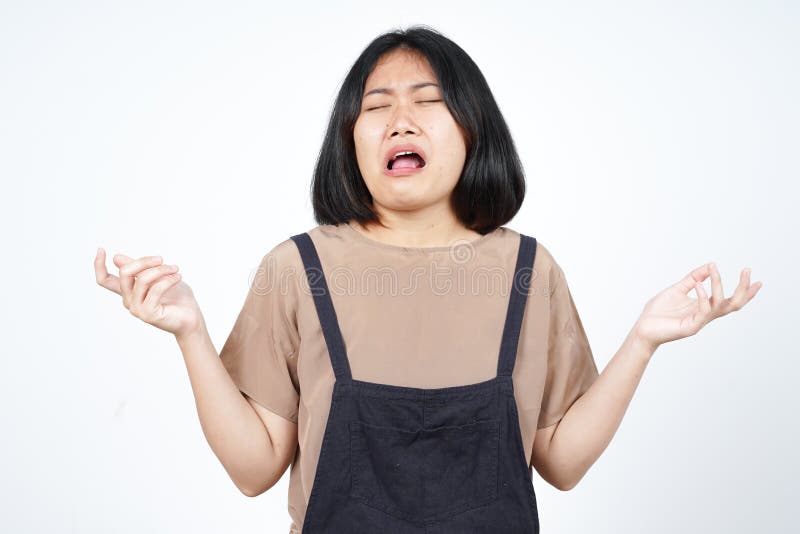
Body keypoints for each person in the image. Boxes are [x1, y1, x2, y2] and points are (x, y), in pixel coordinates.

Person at [94, 25, 762, 534]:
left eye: (428, 101)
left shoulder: (529, 271)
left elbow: (559, 461)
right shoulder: (298, 268)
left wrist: (643, 339)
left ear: (474, 130)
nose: (400, 120)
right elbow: (253, 468)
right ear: (350, 140)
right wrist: (189, 331)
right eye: (376, 106)